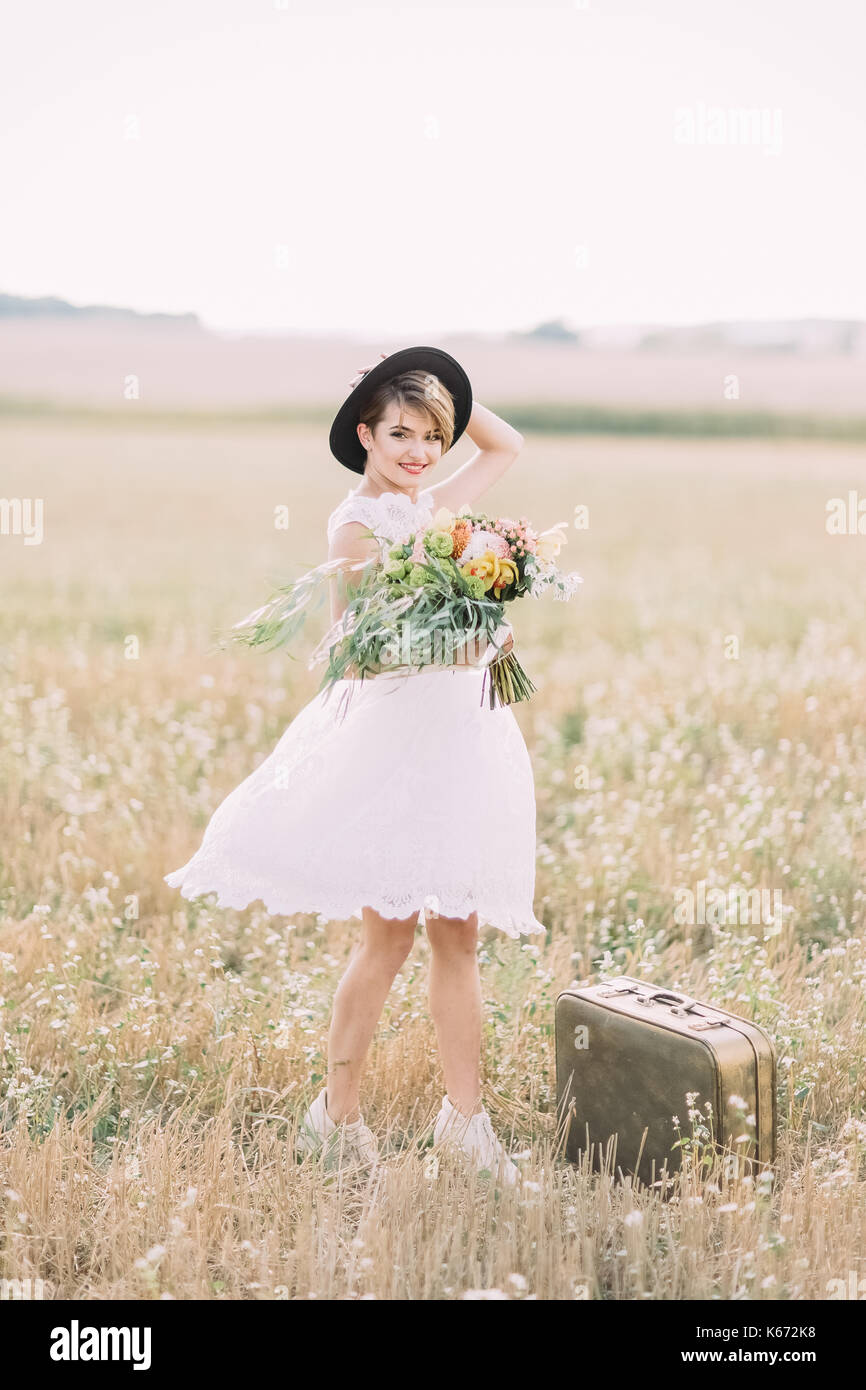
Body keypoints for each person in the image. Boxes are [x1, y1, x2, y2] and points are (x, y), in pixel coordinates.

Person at [164, 346, 544, 1186]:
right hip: (398, 744)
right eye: (401, 432)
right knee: (389, 934)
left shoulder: (436, 506)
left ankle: (465, 1124)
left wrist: (435, 365)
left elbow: (506, 443)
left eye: (433, 436)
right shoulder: (359, 524)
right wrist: (459, 636)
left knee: (462, 931)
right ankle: (335, 1120)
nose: (419, 451)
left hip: (464, 736)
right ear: (365, 433)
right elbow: (350, 657)